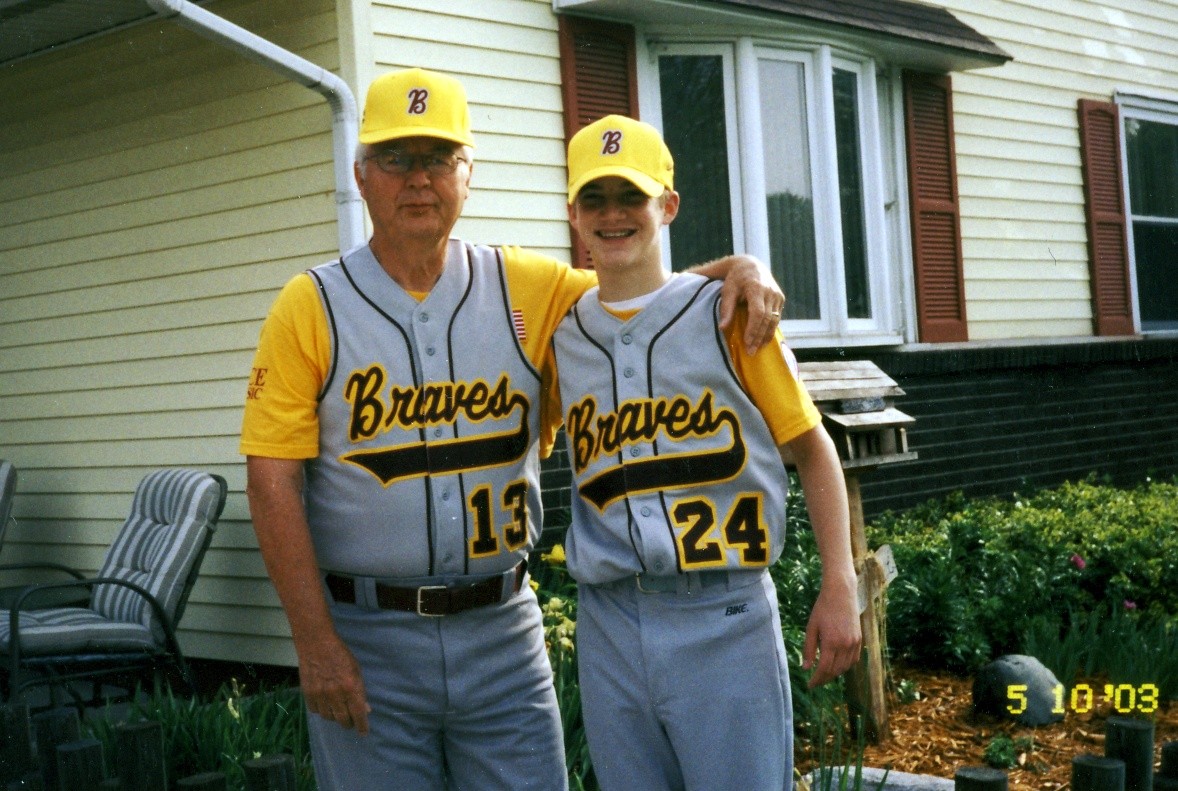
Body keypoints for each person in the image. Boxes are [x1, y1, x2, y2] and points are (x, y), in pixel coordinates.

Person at [239, 68, 785, 790]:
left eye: (439, 157)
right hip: (367, 635)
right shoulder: (308, 306)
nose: (418, 179)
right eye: (396, 158)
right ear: (361, 175)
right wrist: (315, 644)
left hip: (502, 635)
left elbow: (643, 288)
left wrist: (738, 269)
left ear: (468, 174)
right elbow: (270, 478)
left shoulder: (529, 287)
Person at [547, 114, 863, 791]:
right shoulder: (563, 334)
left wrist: (841, 582)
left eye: (630, 196)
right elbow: (630, 309)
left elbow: (813, 449)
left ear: (667, 204)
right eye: (594, 199)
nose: (612, 214)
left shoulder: (731, 313)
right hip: (608, 618)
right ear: (572, 213)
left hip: (723, 610)